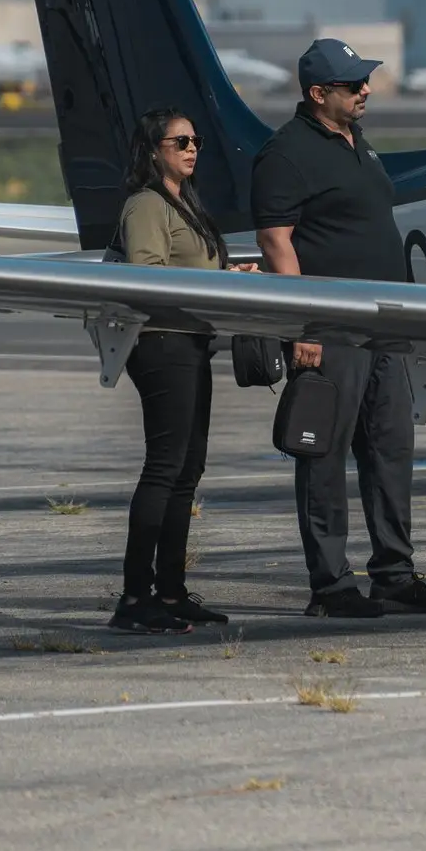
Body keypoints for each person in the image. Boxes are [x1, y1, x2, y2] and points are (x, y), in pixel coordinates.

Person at [253, 38, 426, 619]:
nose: (365, 89)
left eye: (364, 80)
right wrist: (303, 326)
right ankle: (331, 585)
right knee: (323, 454)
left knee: (392, 448)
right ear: (318, 94)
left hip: (382, 328)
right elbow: (276, 242)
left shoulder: (357, 144)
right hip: (332, 327)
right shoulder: (286, 153)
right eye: (352, 85)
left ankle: (394, 574)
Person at [108, 107, 254, 635]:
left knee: (187, 469)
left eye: (195, 141)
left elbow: (192, 270)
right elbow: (148, 275)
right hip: (162, 343)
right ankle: (133, 597)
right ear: (154, 151)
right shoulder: (147, 204)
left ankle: (169, 589)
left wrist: (232, 276)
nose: (192, 149)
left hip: (190, 342)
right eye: (180, 142)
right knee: (165, 467)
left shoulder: (184, 204)